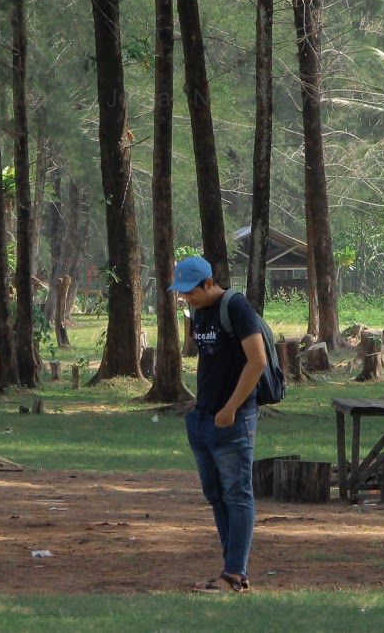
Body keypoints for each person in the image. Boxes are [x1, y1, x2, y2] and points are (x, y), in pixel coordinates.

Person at [171, 254, 267, 592]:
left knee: (237, 495)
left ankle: (233, 575)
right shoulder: (198, 312)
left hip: (233, 418)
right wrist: (202, 410)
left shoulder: (236, 307)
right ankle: (233, 572)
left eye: (190, 291)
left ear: (209, 282)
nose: (186, 298)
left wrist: (230, 408)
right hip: (203, 417)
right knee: (216, 496)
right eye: (181, 292)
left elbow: (257, 361)